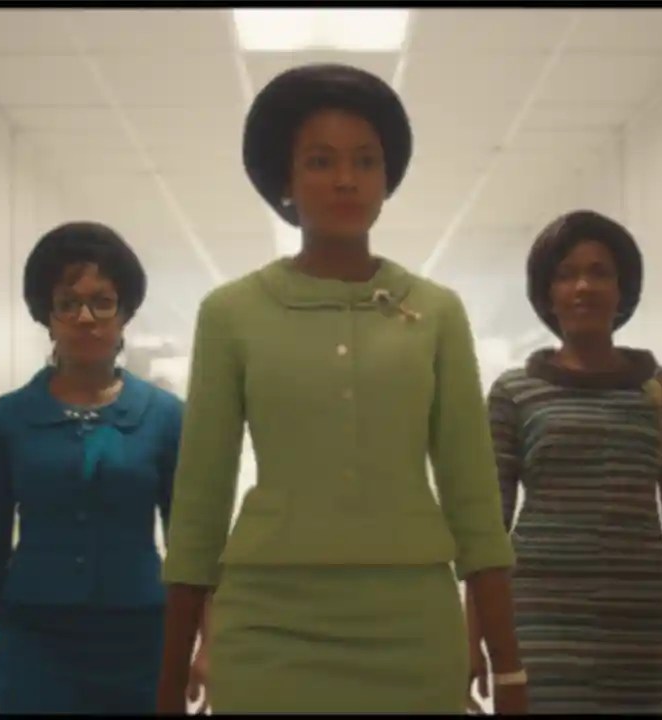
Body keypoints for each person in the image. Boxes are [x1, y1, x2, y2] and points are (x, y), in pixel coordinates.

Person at [154, 63, 529, 715]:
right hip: (268, 623)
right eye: (321, 161)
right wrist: (167, 684)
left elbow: (474, 502)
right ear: (287, 182)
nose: (347, 179)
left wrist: (512, 671)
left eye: (365, 160)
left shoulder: (435, 312)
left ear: (387, 178)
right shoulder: (232, 313)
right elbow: (198, 508)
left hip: (412, 622)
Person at [479, 209, 662, 714]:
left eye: (600, 272)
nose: (584, 286)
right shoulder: (514, 391)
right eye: (567, 274)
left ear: (623, 288)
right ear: (548, 294)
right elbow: (487, 528)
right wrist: (473, 639)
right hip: (538, 616)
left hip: (638, 617)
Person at [0, 222, 184, 715]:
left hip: (139, 641)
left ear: (125, 312)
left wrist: (203, 648)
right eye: (68, 303)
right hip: (35, 644)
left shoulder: (165, 416)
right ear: (46, 317)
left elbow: (189, 544)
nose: (86, 317)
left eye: (103, 301)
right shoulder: (9, 418)